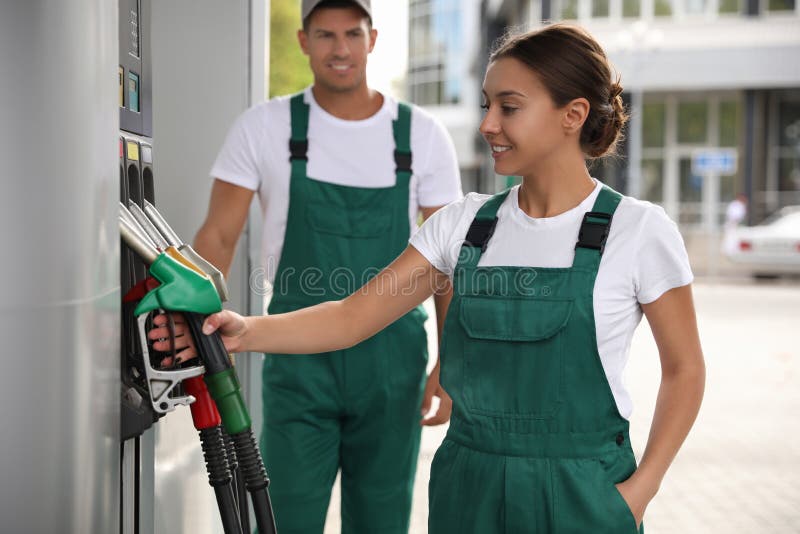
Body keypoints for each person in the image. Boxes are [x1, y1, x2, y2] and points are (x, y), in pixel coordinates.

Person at [154, 23, 705, 533]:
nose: (489, 124)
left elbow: (684, 370)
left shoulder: (637, 231)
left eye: (509, 107)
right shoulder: (464, 225)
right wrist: (243, 331)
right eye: (488, 105)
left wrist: (641, 490)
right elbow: (351, 317)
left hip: (584, 489)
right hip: (469, 486)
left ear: (573, 114)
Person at [183, 1, 462, 532]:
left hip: (392, 363)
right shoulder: (264, 127)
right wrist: (197, 328)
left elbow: (448, 260)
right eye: (326, 34)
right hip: (297, 357)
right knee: (283, 514)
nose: (340, 49)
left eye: (352, 34)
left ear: (373, 39)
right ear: (303, 40)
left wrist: (450, 363)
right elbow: (217, 236)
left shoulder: (421, 135)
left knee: (382, 519)